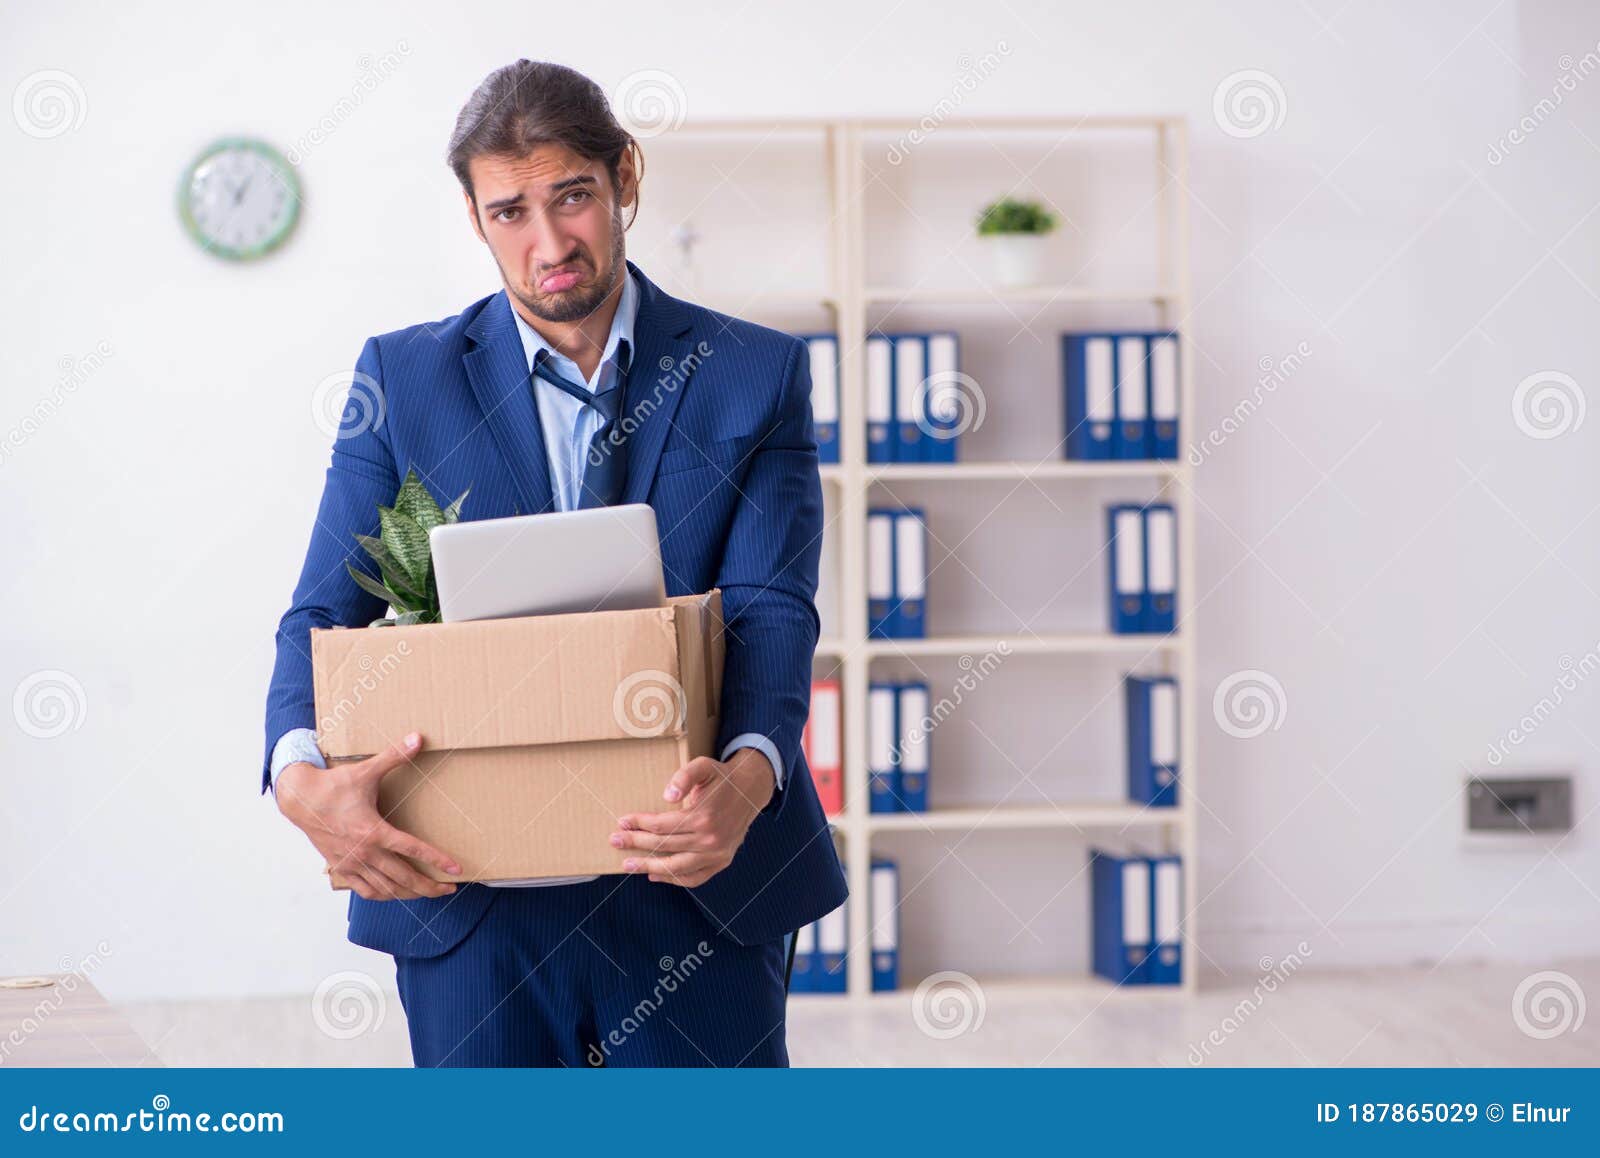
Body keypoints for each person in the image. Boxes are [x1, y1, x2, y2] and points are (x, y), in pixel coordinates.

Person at [261, 59, 846, 1067]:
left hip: (691, 884)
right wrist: (298, 775)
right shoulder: (405, 380)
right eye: (509, 212)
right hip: (475, 897)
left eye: (571, 196)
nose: (548, 244)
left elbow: (771, 607)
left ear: (625, 177)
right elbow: (323, 612)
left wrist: (745, 787)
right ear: (474, 217)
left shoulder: (753, 373)